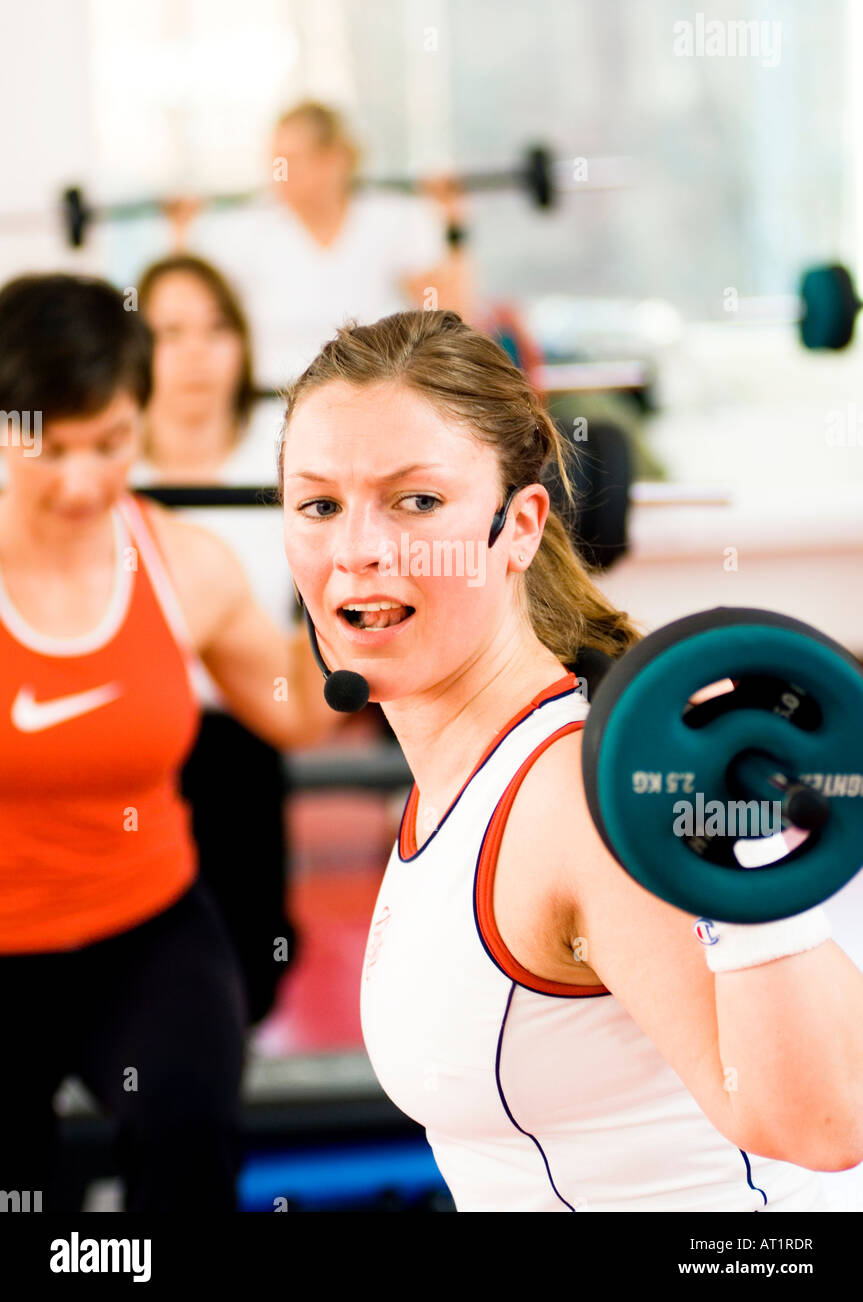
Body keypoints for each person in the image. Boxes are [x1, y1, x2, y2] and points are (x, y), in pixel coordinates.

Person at [278, 306, 863, 1212]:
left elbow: (824, 1125)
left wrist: (743, 855)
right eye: (319, 505)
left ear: (517, 526)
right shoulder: (464, 778)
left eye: (416, 501)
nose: (357, 550)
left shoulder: (571, 802)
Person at [0, 272, 335, 1212]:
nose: (79, 483)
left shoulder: (187, 564)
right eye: (47, 450)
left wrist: (349, 562)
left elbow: (297, 710)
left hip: (144, 930)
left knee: (189, 1143)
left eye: (109, 444)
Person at [132, 254, 302, 1025]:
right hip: (126, 743)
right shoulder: (103, 464)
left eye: (215, 329)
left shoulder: (287, 458)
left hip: (242, 734)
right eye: (169, 333)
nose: (196, 354)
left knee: (247, 972)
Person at [169, 99, 477, 387]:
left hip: (375, 397)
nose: (279, 175)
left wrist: (453, 222)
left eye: (292, 160)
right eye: (275, 161)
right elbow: (189, 306)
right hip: (274, 404)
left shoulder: (389, 217)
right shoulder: (247, 227)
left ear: (335, 158)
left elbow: (452, 316)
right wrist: (181, 235)